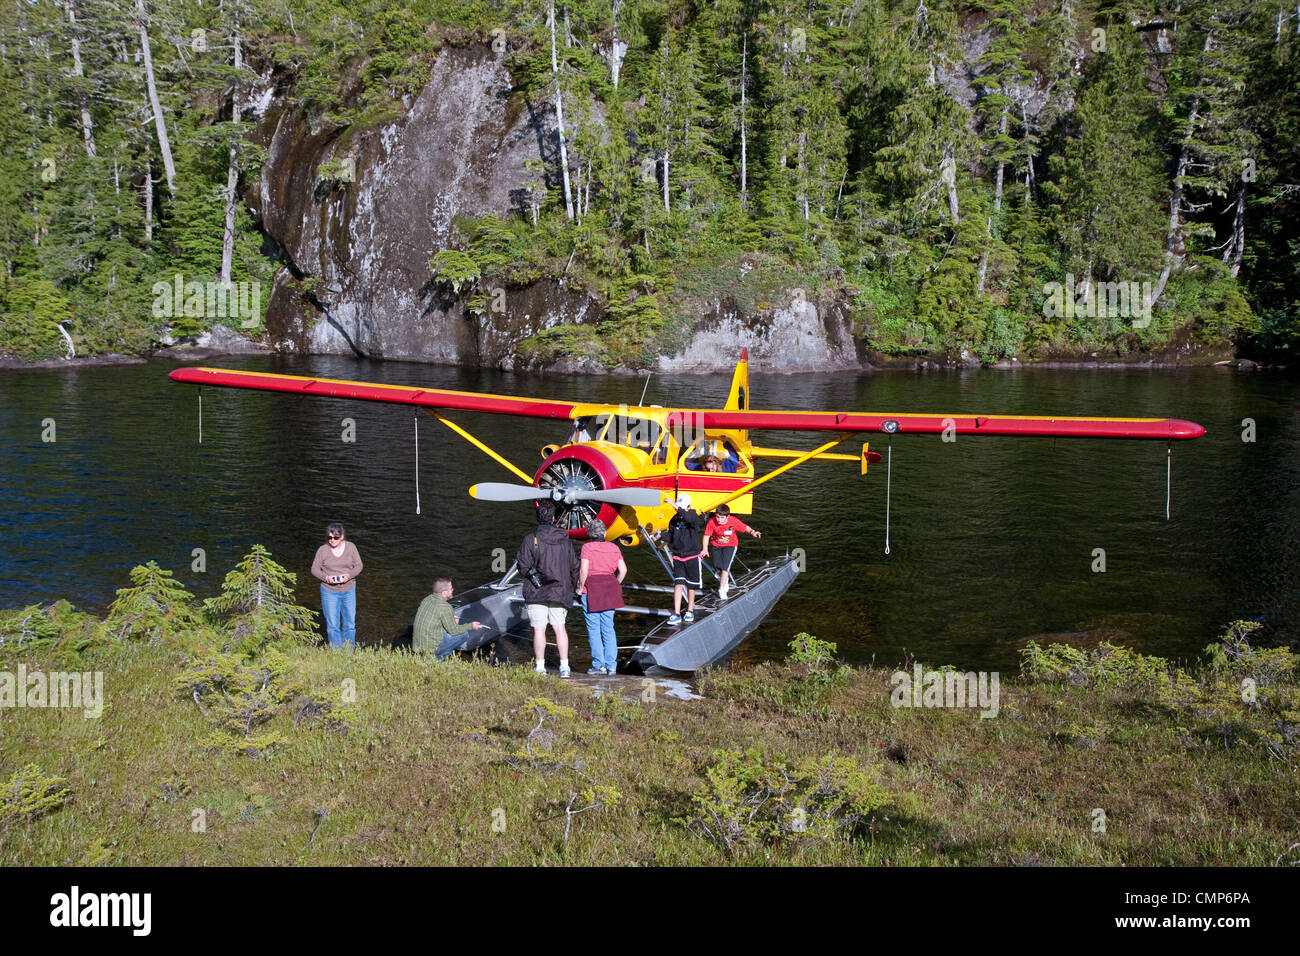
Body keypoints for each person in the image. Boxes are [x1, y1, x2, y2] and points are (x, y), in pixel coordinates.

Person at [516, 499, 580, 677]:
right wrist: (575, 588)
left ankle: (540, 666)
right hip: (560, 590)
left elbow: (522, 566)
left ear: (538, 518)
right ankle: (565, 666)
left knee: (539, 629)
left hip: (536, 591)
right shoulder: (565, 539)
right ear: (553, 517)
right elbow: (574, 565)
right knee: (560, 628)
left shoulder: (530, 539)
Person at [577, 519, 627, 675]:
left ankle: (599, 665)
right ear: (605, 533)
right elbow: (623, 570)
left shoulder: (587, 547)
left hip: (591, 589)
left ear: (590, 534)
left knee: (593, 629)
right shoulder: (614, 547)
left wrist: (579, 588)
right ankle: (611, 665)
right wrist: (615, 584)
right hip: (610, 589)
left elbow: (583, 571)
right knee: (608, 628)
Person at [311, 522, 362, 648]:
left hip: (349, 589)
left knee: (349, 623)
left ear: (342, 536)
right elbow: (314, 569)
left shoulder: (351, 547)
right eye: (329, 538)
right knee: (333, 625)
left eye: (335, 538)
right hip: (329, 591)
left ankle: (348, 650)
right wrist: (326, 578)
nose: (332, 540)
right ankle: (336, 652)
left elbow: (359, 565)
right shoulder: (322, 550)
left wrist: (348, 576)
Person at [412, 578, 484, 659]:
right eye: (450, 589)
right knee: (464, 635)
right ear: (444, 593)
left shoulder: (427, 599)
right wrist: (471, 626)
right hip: (431, 648)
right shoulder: (445, 607)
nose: (453, 590)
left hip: (417, 647)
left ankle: (424, 655)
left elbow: (435, 617)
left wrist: (449, 618)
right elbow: (454, 631)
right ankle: (438, 657)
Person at [661, 494, 704, 625]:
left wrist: (674, 505)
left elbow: (687, 517)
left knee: (691, 586)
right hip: (678, 556)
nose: (677, 511)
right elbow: (671, 536)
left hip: (692, 556)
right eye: (677, 508)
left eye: (680, 508)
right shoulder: (674, 520)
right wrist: (659, 536)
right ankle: (677, 613)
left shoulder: (693, 516)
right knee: (678, 584)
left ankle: (690, 610)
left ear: (688, 507)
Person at [702, 504, 761, 600]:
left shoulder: (733, 521)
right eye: (717, 517)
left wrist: (753, 532)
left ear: (727, 516)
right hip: (716, 545)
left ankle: (721, 589)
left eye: (722, 518)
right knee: (718, 568)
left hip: (730, 546)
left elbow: (745, 527)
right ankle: (725, 579)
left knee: (725, 567)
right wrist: (705, 549)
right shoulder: (712, 522)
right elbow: (706, 536)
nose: (719, 520)